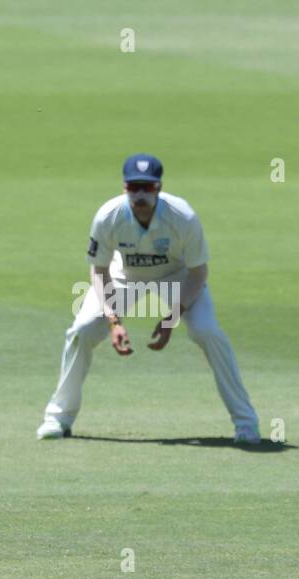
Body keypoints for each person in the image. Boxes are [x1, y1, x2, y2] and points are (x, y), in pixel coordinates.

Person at [37, 153, 257, 443]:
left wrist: (171, 319)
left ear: (159, 187)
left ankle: (246, 423)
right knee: (83, 330)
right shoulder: (108, 216)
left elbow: (198, 273)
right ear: (124, 187)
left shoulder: (183, 217)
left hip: (178, 277)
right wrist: (114, 321)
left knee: (207, 331)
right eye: (134, 187)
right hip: (123, 276)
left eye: (148, 187)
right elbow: (99, 271)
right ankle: (58, 418)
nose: (141, 194)